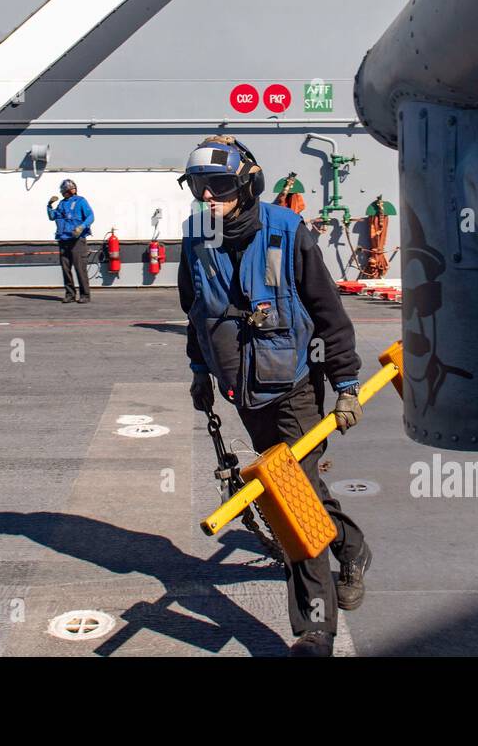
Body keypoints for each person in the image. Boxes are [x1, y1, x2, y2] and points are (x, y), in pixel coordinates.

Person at [177, 135, 371, 657]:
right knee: (293, 489)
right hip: (242, 388)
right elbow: (195, 313)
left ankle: (314, 630)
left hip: (293, 389)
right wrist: (200, 371)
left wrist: (347, 385)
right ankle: (352, 547)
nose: (207, 198)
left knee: (293, 499)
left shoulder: (287, 231)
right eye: (198, 188)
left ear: (246, 184)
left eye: (217, 186)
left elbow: (329, 313)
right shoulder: (196, 237)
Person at [47, 179, 94, 303]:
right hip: (63, 240)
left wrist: (82, 227)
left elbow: (90, 216)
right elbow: (53, 216)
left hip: (77, 240)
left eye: (71, 189)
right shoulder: (62, 204)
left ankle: (85, 295)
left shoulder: (80, 201)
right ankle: (70, 294)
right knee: (65, 269)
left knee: (80, 268)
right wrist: (49, 206)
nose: (69, 191)